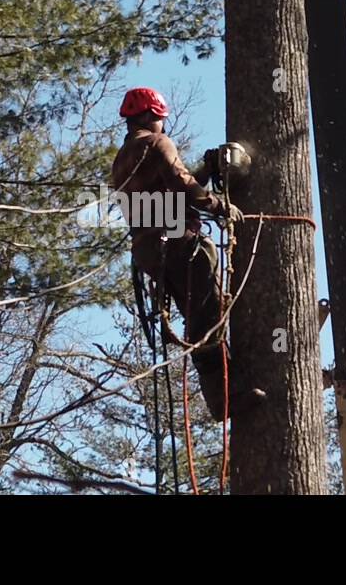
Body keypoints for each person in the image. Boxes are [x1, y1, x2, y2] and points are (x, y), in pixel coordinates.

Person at [110, 87, 264, 421]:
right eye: (161, 119)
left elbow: (165, 196)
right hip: (177, 243)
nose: (163, 125)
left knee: (198, 315)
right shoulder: (157, 143)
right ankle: (226, 397)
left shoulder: (121, 160)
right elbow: (182, 189)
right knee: (207, 315)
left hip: (150, 251)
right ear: (153, 116)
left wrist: (205, 173)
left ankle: (221, 394)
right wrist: (219, 206)